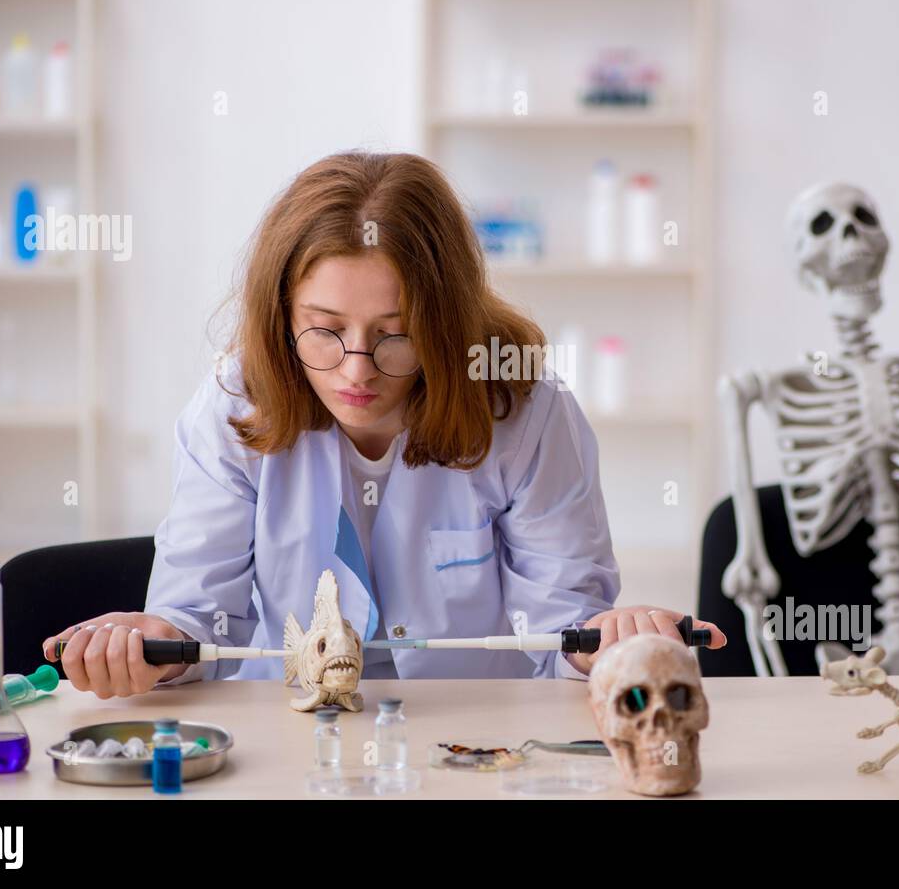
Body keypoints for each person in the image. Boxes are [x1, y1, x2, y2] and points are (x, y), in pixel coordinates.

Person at [43, 151, 726, 698]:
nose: (357, 371)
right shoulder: (233, 406)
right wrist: (145, 645)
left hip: (474, 751)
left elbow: (561, 636)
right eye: (324, 331)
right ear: (281, 317)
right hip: (284, 743)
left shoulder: (527, 411)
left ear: (449, 323)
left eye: (397, 334)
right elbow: (198, 626)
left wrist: (611, 637)